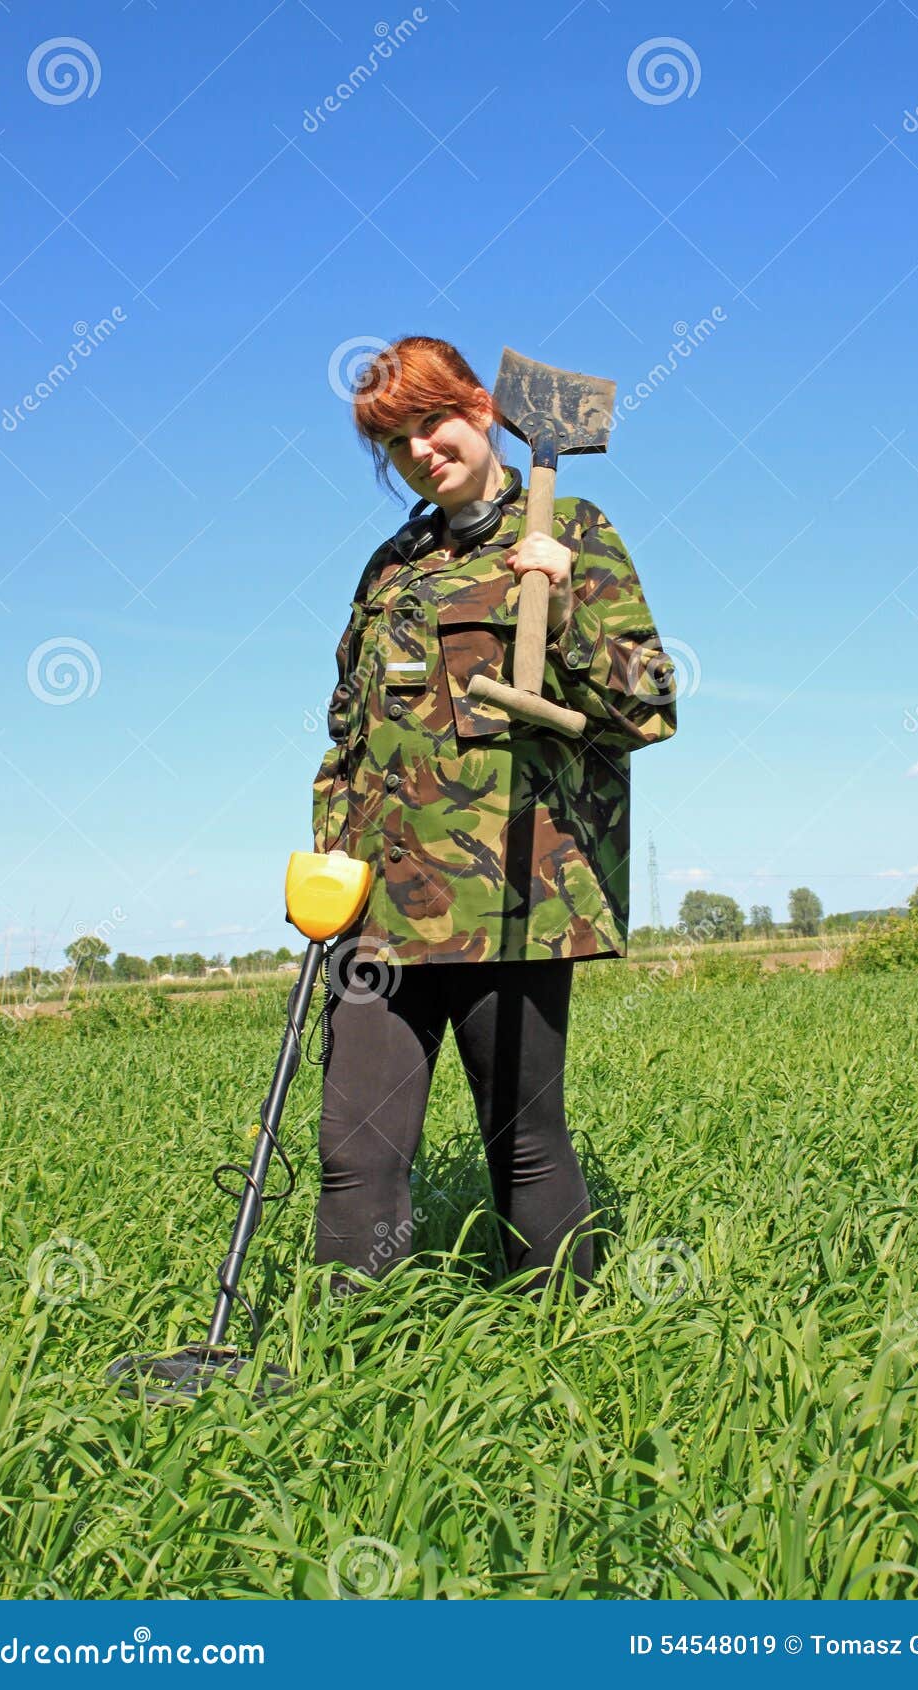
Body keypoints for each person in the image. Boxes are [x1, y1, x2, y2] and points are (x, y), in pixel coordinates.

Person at [310, 335, 676, 1301]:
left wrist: (558, 606)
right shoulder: (391, 566)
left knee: (523, 1137)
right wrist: (327, 865)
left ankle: (562, 1344)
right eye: (396, 440)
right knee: (354, 1148)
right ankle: (346, 1361)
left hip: (512, 893)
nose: (421, 449)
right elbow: (351, 733)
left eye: (433, 422)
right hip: (377, 909)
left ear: (480, 409)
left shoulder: (575, 528)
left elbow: (648, 708)